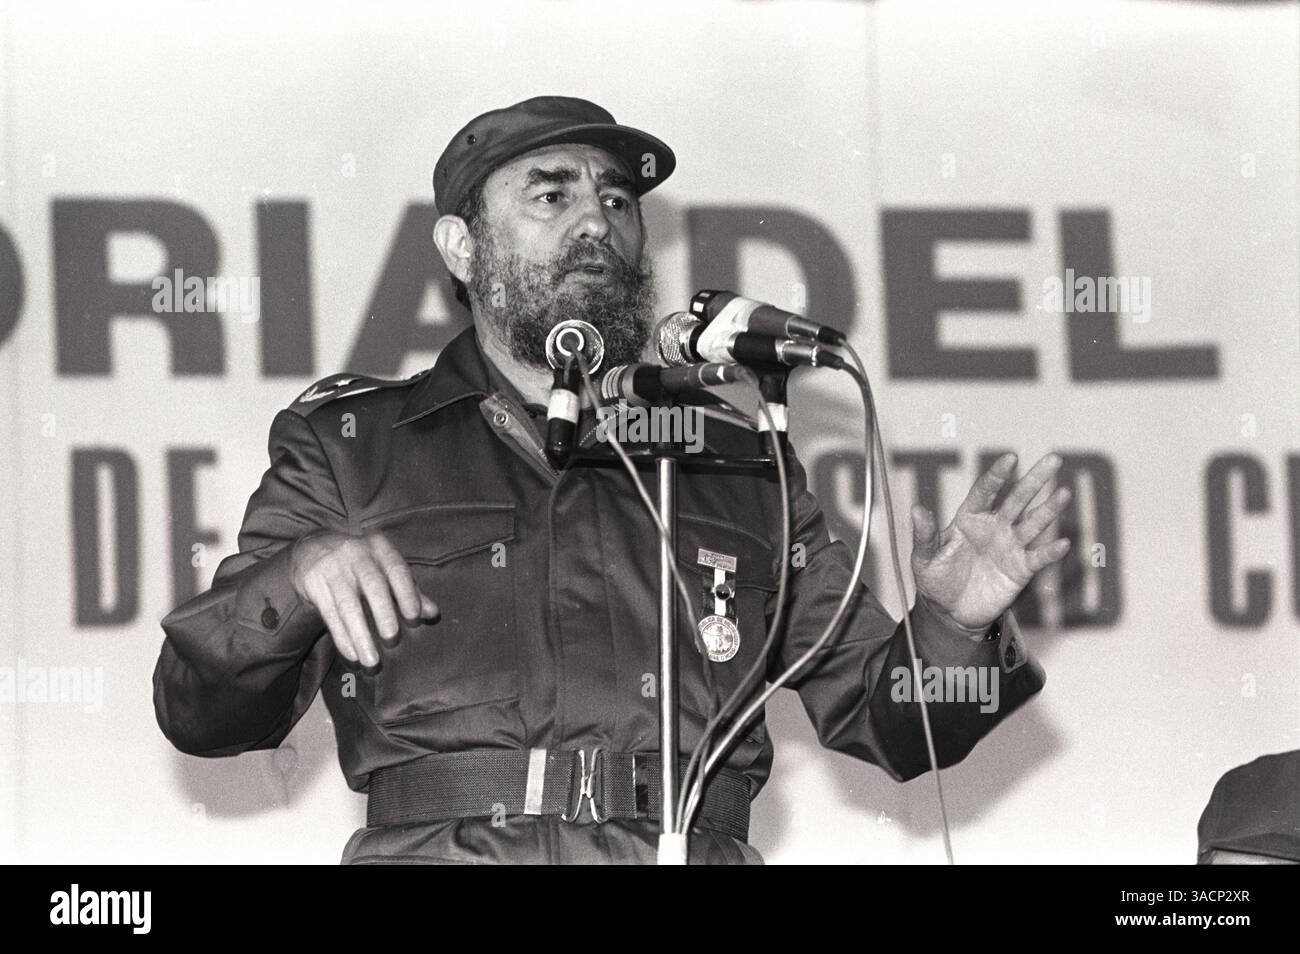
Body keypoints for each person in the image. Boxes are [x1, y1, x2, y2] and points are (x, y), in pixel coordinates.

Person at [153, 95, 1072, 864]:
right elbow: (203, 715)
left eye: (618, 201)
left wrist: (953, 626)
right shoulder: (352, 445)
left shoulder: (734, 454)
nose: (597, 219)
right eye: (550, 195)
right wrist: (297, 577)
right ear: (462, 249)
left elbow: (903, 730)